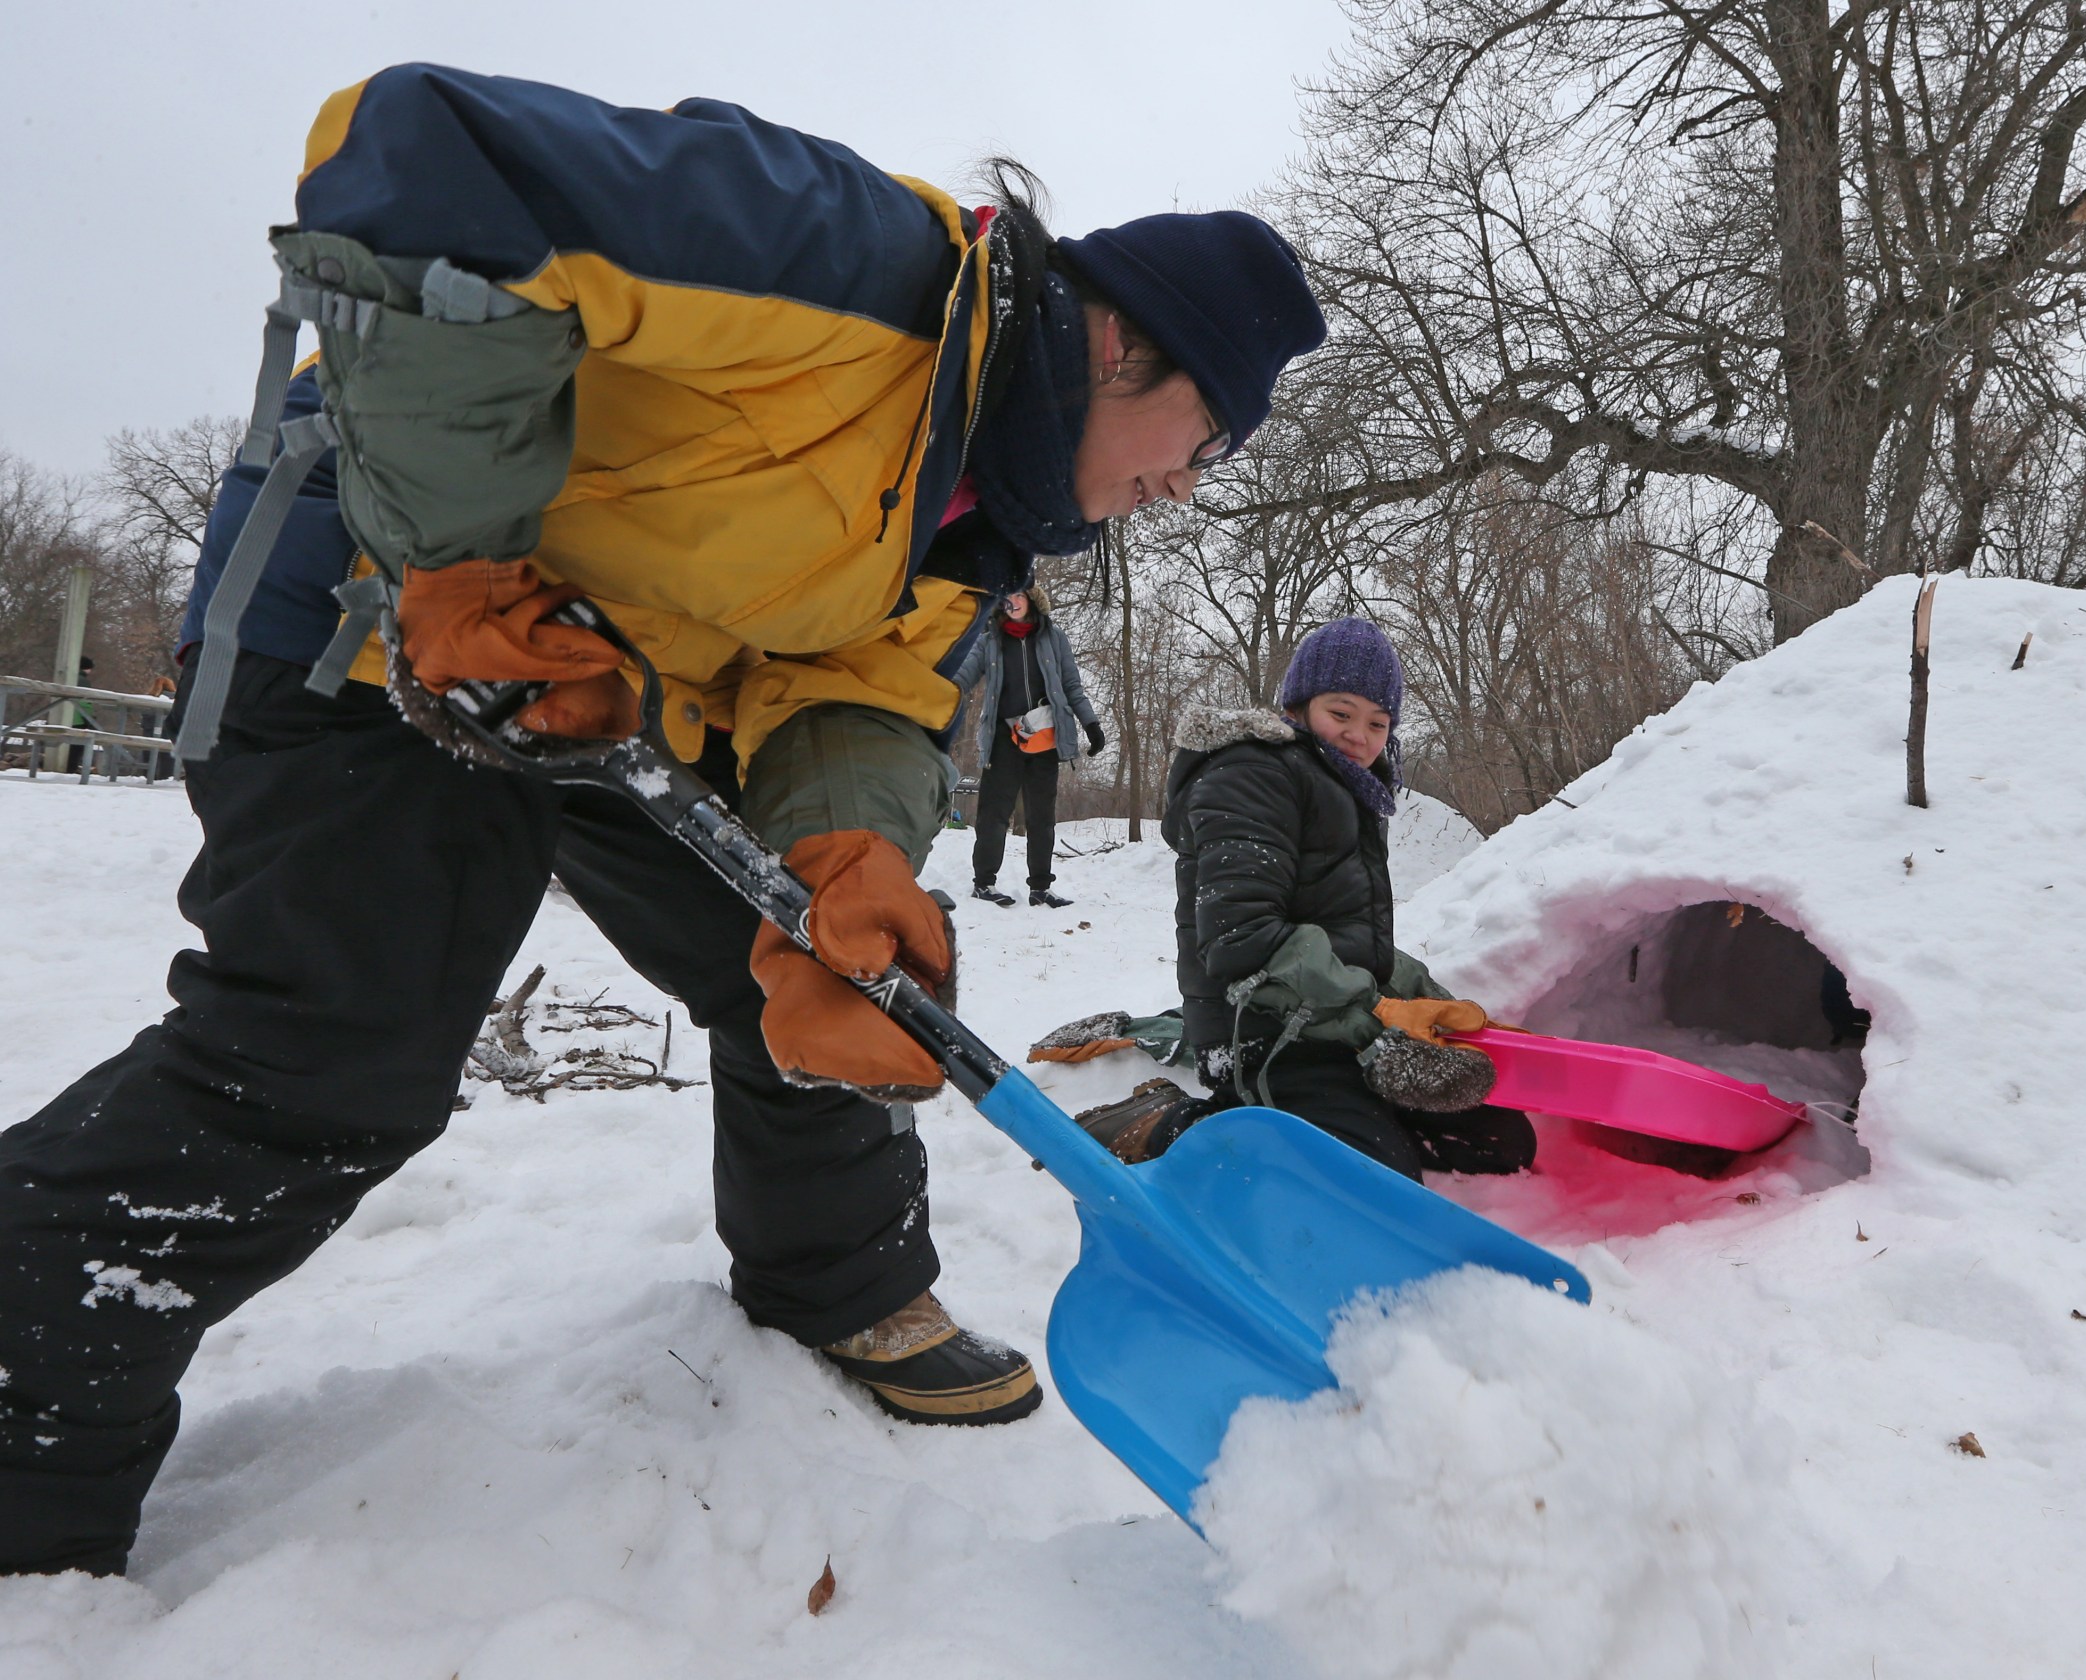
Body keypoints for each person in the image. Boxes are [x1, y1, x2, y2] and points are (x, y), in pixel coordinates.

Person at [0, 63, 1323, 1577]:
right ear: (1122, 346)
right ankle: (22, 1412)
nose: (1181, 492)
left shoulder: (985, 517)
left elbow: (861, 701)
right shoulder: (856, 267)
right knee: (328, 1053)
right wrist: (461, 553)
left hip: (609, 689)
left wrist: (848, 855)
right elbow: (431, 155)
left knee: (833, 969)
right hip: (372, 618)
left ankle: (842, 1280)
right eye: (1204, 447)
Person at [1081, 618, 1537, 1181]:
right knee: (1374, 1179)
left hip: (1329, 1026)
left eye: (1377, 722)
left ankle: (1341, 1115)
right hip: (1265, 1036)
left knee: (1499, 1142)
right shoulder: (1252, 773)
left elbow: (1346, 935)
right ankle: (1169, 1123)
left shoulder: (1348, 791)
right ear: (1296, 706)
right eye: (1341, 714)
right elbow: (1243, 941)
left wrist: (1425, 1002)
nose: (1359, 736)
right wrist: (1377, 1028)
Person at [954, 585, 1104, 908]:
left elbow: (1071, 686)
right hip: (1003, 738)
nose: (1013, 603)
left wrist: (1091, 725)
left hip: (1045, 738)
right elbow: (963, 675)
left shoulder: (1053, 638)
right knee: (994, 813)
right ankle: (984, 883)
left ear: (1032, 599)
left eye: (1019, 595)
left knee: (1041, 816)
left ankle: (1040, 888)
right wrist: (941, 693)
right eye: (1006, 597)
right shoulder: (990, 640)